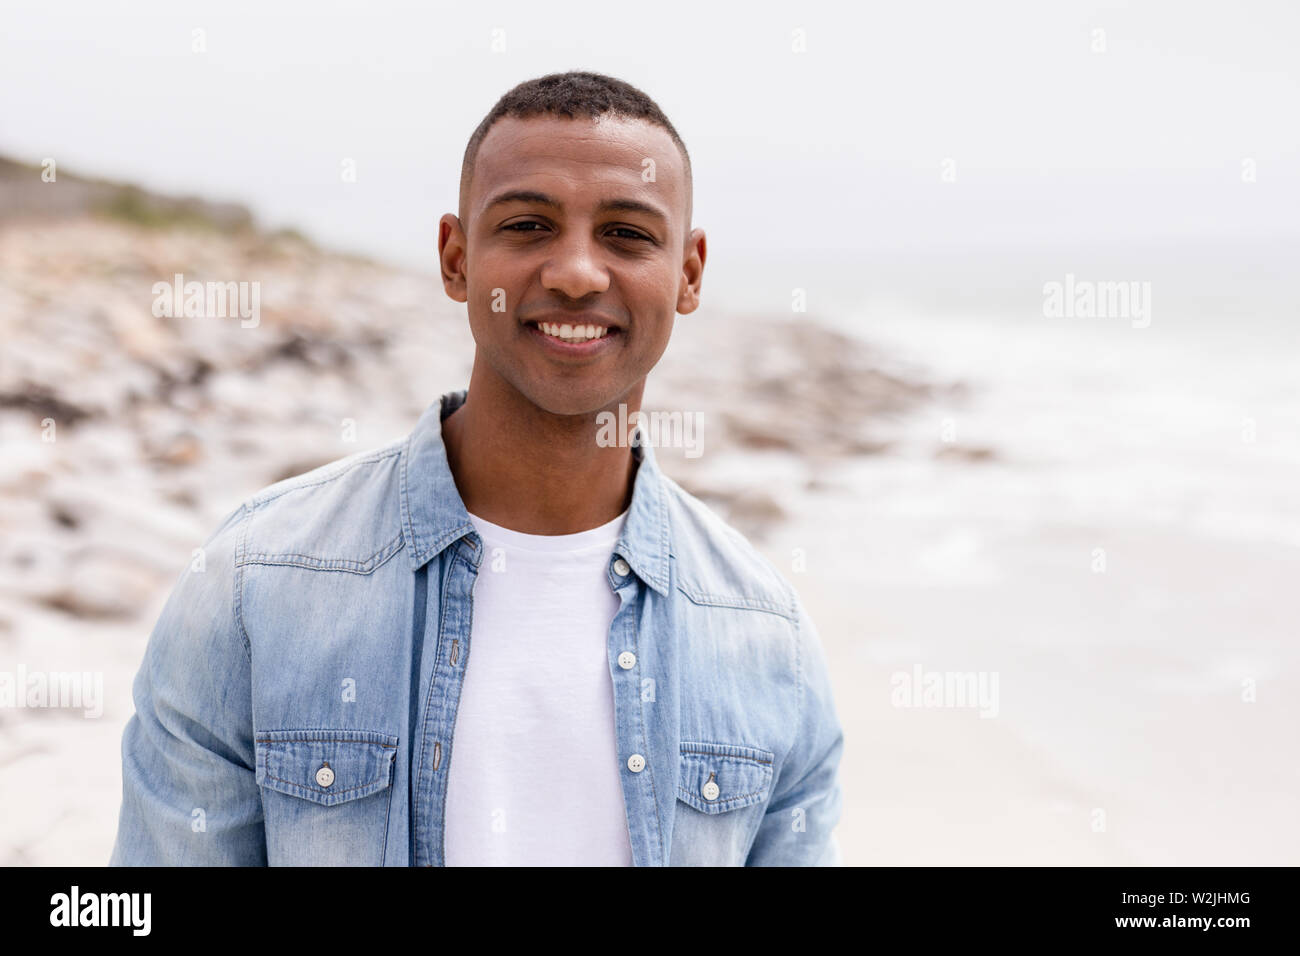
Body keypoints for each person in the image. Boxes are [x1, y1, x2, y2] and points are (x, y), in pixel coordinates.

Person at [109, 70, 844, 866]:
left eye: (627, 234)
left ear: (689, 273)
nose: (575, 273)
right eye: (528, 225)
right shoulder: (256, 584)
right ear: (457, 259)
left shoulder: (768, 640)